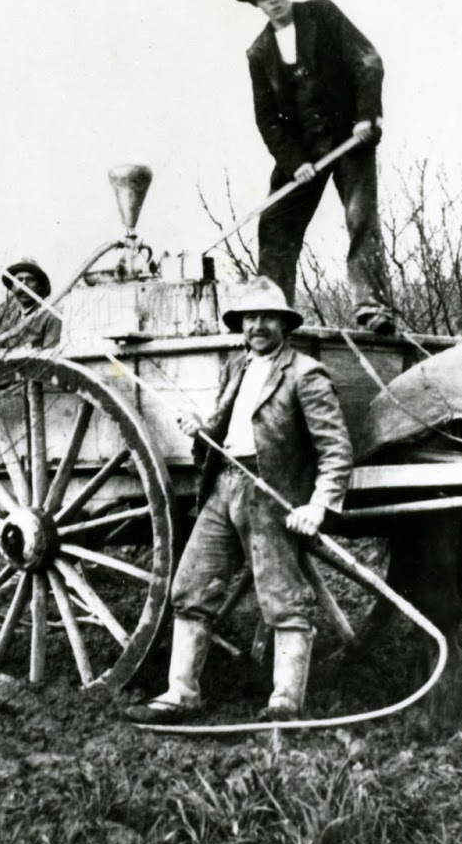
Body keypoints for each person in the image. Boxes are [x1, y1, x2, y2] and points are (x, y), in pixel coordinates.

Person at [125, 276, 352, 724]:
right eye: (250, 318)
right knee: (190, 585)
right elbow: (225, 427)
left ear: (284, 325)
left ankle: (285, 703)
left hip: (268, 494)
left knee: (283, 596)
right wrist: (200, 428)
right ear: (241, 324)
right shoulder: (236, 367)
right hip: (222, 487)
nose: (258, 326)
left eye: (267, 317)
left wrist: (318, 505)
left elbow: (335, 448)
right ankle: (181, 694)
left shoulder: (305, 375)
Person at [237, 0, 397, 335]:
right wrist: (294, 163)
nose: (272, 1)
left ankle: (373, 308)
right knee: (275, 223)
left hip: (349, 139)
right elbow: (268, 119)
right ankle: (273, 313)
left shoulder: (323, 15)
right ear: (256, 5)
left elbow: (368, 62)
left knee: (361, 217)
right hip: (303, 152)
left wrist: (366, 116)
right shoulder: (258, 52)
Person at [0, 256, 63, 350]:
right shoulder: (7, 318)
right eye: (19, 280)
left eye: (31, 280)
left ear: (40, 286)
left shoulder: (51, 316)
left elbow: (49, 358)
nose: (23, 285)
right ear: (13, 287)